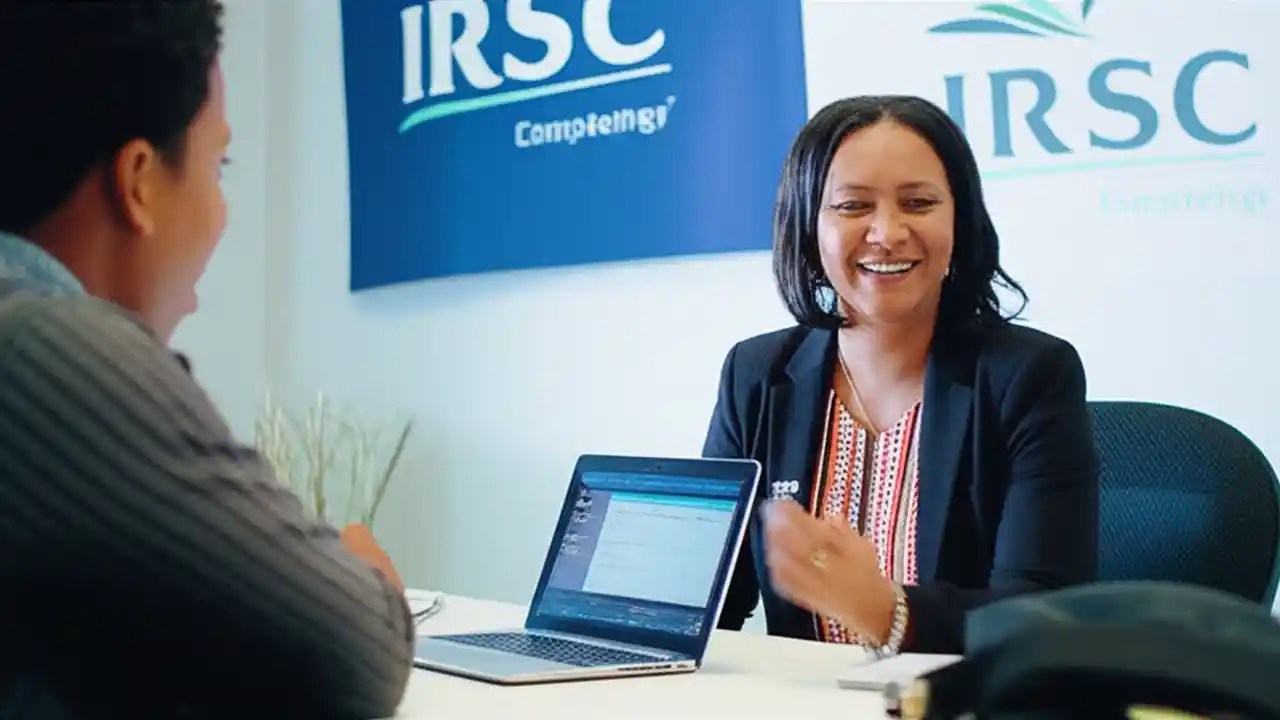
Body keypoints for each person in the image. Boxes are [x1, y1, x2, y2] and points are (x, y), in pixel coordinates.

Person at [0, 2, 413, 717]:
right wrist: (364, 568)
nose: (223, 211)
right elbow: (354, 654)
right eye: (219, 164)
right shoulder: (49, 349)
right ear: (137, 181)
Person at [702, 95, 1100, 656]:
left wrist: (886, 610)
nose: (887, 232)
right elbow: (709, 597)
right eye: (852, 206)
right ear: (807, 224)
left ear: (959, 219)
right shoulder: (757, 374)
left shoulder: (1030, 375)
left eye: (918, 203)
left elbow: (1049, 615)